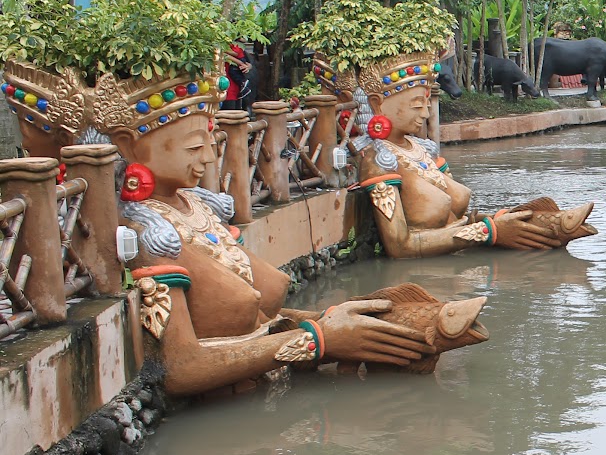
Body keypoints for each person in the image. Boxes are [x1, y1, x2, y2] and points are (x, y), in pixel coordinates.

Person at [90, 60, 484, 397]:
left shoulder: (199, 208)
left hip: (273, 397)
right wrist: (320, 340)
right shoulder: (148, 233)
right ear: (129, 146)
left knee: (409, 323)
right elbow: (180, 368)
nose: (210, 156)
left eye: (210, 142)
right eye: (195, 148)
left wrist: (338, 319)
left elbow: (265, 323)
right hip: (237, 446)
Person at [346, 53, 597, 257]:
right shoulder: (380, 161)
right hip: (436, 282)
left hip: (463, 263)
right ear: (378, 104)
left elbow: (461, 219)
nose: (425, 113)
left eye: (426, 104)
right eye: (416, 106)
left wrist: (508, 220)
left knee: (544, 230)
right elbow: (400, 247)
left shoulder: (424, 150)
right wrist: (488, 232)